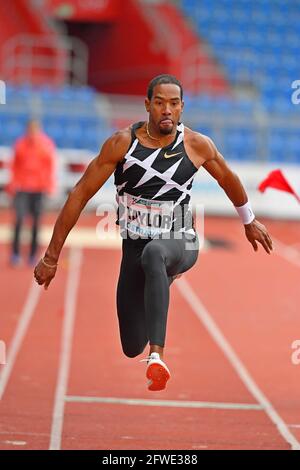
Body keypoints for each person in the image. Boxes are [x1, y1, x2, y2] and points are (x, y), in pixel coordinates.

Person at [34, 75, 273, 392]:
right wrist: (52, 256)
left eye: (174, 104)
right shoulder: (122, 144)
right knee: (131, 343)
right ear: (147, 105)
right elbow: (79, 195)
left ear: (182, 108)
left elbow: (227, 178)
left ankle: (157, 356)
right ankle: (158, 289)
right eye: (160, 102)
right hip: (133, 245)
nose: (167, 110)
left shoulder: (196, 145)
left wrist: (249, 220)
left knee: (156, 254)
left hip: (181, 239)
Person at [7, 119, 56, 266]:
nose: (32, 133)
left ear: (39, 130)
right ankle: (15, 254)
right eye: (30, 129)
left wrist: (48, 185)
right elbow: (14, 165)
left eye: (35, 129)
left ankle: (33, 255)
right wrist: (13, 184)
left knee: (36, 223)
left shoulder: (46, 145)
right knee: (19, 220)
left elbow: (49, 167)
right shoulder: (20, 144)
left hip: (38, 189)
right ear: (27, 129)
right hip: (22, 188)